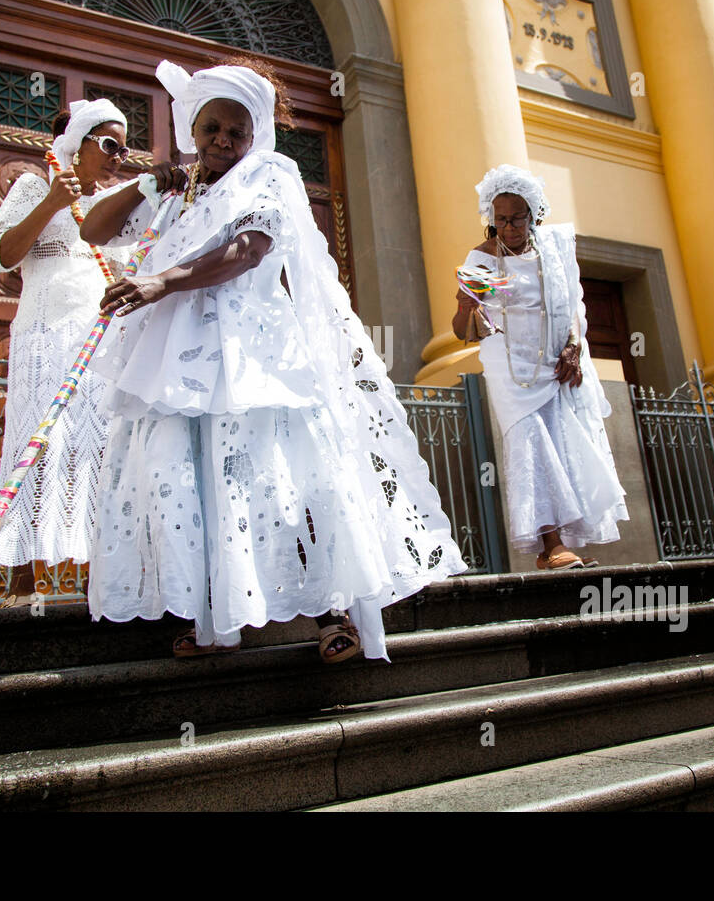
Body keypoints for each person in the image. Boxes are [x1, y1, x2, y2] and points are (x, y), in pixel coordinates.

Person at [79, 58, 465, 662]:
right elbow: (94, 233)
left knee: (283, 481)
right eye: (211, 128)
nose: (223, 142)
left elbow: (247, 250)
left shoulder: (268, 177)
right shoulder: (177, 194)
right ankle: (217, 621)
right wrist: (150, 182)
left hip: (255, 358)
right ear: (192, 130)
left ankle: (332, 614)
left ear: (255, 137)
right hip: (177, 367)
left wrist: (162, 283)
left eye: (237, 131)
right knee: (194, 483)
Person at [0, 98, 132, 604]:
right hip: (45, 339)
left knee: (98, 449)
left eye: (124, 148)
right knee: (39, 442)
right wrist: (49, 202)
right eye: (110, 144)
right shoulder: (31, 186)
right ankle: (22, 580)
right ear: (81, 143)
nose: (119, 157)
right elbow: (2, 260)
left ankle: (95, 577)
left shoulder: (119, 202)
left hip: (101, 341)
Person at [451, 164, 627, 568]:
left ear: (533, 214)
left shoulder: (555, 249)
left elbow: (573, 310)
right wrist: (466, 307)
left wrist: (573, 349)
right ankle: (551, 544)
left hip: (554, 360)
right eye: (499, 220)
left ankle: (557, 547)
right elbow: (464, 330)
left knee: (561, 443)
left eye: (516, 217)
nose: (508, 227)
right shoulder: (480, 258)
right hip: (511, 368)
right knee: (530, 441)